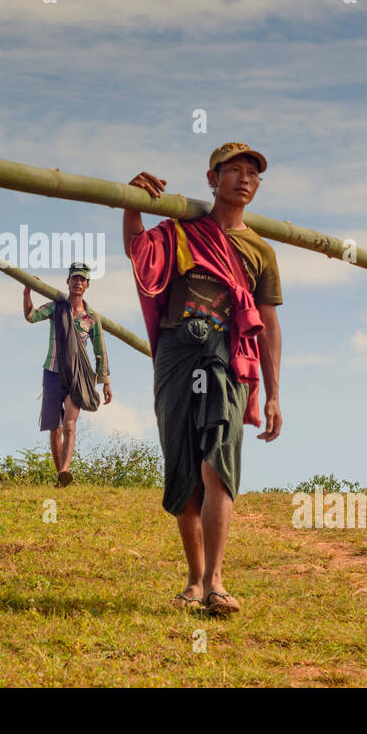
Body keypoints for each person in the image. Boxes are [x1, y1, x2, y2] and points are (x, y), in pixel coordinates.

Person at [123, 142, 283, 615]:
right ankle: (194, 580)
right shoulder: (181, 232)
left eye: (252, 172)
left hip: (226, 359)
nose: (244, 178)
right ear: (212, 179)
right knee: (185, 470)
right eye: (232, 170)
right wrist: (132, 203)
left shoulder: (261, 251)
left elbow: (269, 326)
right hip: (177, 356)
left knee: (218, 464)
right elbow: (139, 253)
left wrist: (273, 395)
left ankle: (216, 580)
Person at [23, 262, 112, 487]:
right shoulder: (57, 308)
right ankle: (59, 476)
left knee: (70, 425)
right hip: (52, 372)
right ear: (68, 281)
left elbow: (100, 351)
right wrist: (27, 290)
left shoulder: (92, 318)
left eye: (82, 280)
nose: (78, 283)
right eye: (75, 278)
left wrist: (105, 382)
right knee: (55, 428)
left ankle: (65, 470)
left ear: (87, 285)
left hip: (78, 378)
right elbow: (31, 316)